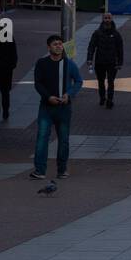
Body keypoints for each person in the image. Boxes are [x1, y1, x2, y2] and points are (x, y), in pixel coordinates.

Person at [31, 34, 83, 180]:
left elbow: (78, 81)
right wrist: (48, 97)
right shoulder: (42, 63)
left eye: (60, 44)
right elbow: (38, 83)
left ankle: (62, 169)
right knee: (42, 137)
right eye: (55, 44)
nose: (59, 46)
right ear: (49, 47)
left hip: (64, 107)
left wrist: (69, 94)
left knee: (64, 139)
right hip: (46, 107)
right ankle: (40, 170)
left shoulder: (68, 64)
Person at [85, 12, 124, 109]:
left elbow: (120, 49)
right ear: (102, 19)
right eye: (105, 18)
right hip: (100, 62)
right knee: (100, 81)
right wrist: (89, 59)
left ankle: (110, 100)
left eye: (109, 18)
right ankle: (102, 97)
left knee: (111, 82)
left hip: (112, 62)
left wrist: (120, 63)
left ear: (112, 19)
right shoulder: (97, 33)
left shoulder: (116, 34)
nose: (107, 19)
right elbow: (91, 47)